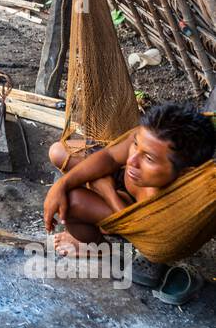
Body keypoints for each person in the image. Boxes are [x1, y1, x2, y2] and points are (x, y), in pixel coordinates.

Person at [44, 101, 216, 296]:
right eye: (135, 144)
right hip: (124, 188)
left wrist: (106, 189)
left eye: (149, 159)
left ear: (184, 173)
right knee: (58, 151)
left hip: (134, 218)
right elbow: (110, 156)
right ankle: (103, 189)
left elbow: (135, 227)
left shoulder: (175, 204)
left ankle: (99, 247)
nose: (132, 160)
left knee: (71, 202)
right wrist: (60, 185)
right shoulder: (152, 140)